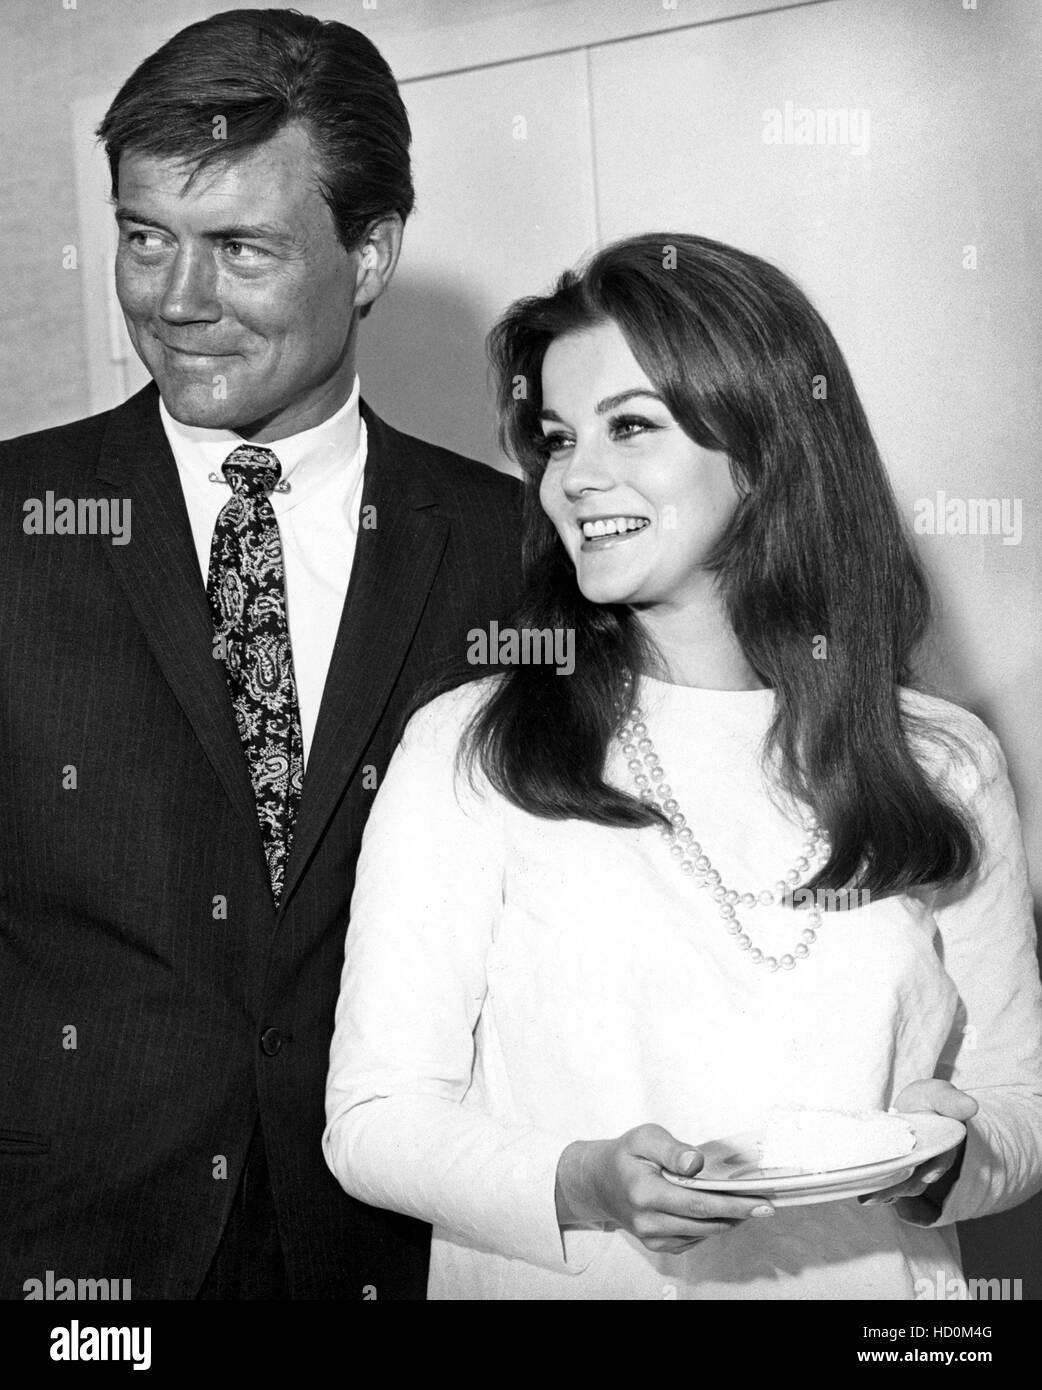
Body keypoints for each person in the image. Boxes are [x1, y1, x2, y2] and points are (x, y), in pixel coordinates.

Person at [324, 232, 1042, 1299]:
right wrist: (582, 1182)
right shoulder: (470, 750)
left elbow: (1016, 1097)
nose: (576, 479)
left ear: (762, 445)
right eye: (558, 439)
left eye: (630, 427)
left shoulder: (941, 757)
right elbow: (374, 1119)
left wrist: (953, 1156)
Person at [0, 9, 521, 1301]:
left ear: (369, 254)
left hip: (397, 1255)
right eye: (142, 238)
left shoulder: (517, 549)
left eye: (238, 248)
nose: (175, 302)